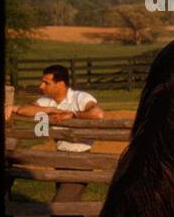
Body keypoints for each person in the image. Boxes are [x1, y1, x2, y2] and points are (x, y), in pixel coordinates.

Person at [7, 65, 106, 202]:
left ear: (60, 84)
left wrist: (73, 114)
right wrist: (50, 109)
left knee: (61, 205)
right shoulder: (46, 101)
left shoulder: (80, 98)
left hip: (81, 161)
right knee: (69, 207)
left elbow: (98, 113)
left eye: (46, 82)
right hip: (59, 159)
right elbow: (24, 109)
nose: (41, 86)